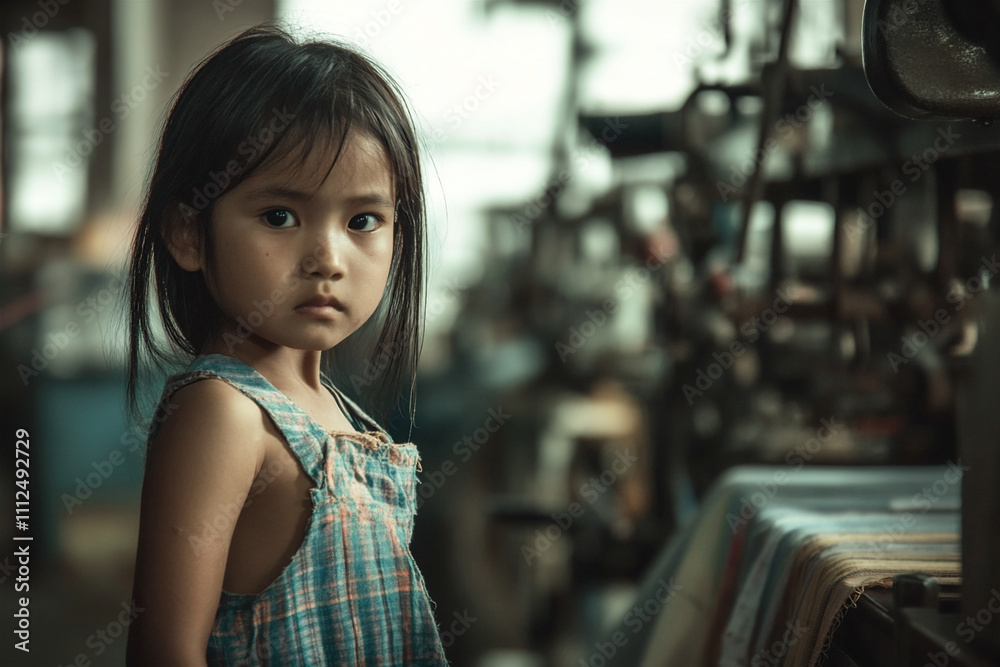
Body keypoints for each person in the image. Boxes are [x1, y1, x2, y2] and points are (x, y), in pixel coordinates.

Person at [123, 24, 448, 666]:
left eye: (363, 221)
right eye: (280, 216)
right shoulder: (223, 412)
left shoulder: (337, 412)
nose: (328, 258)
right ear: (188, 232)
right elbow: (164, 651)